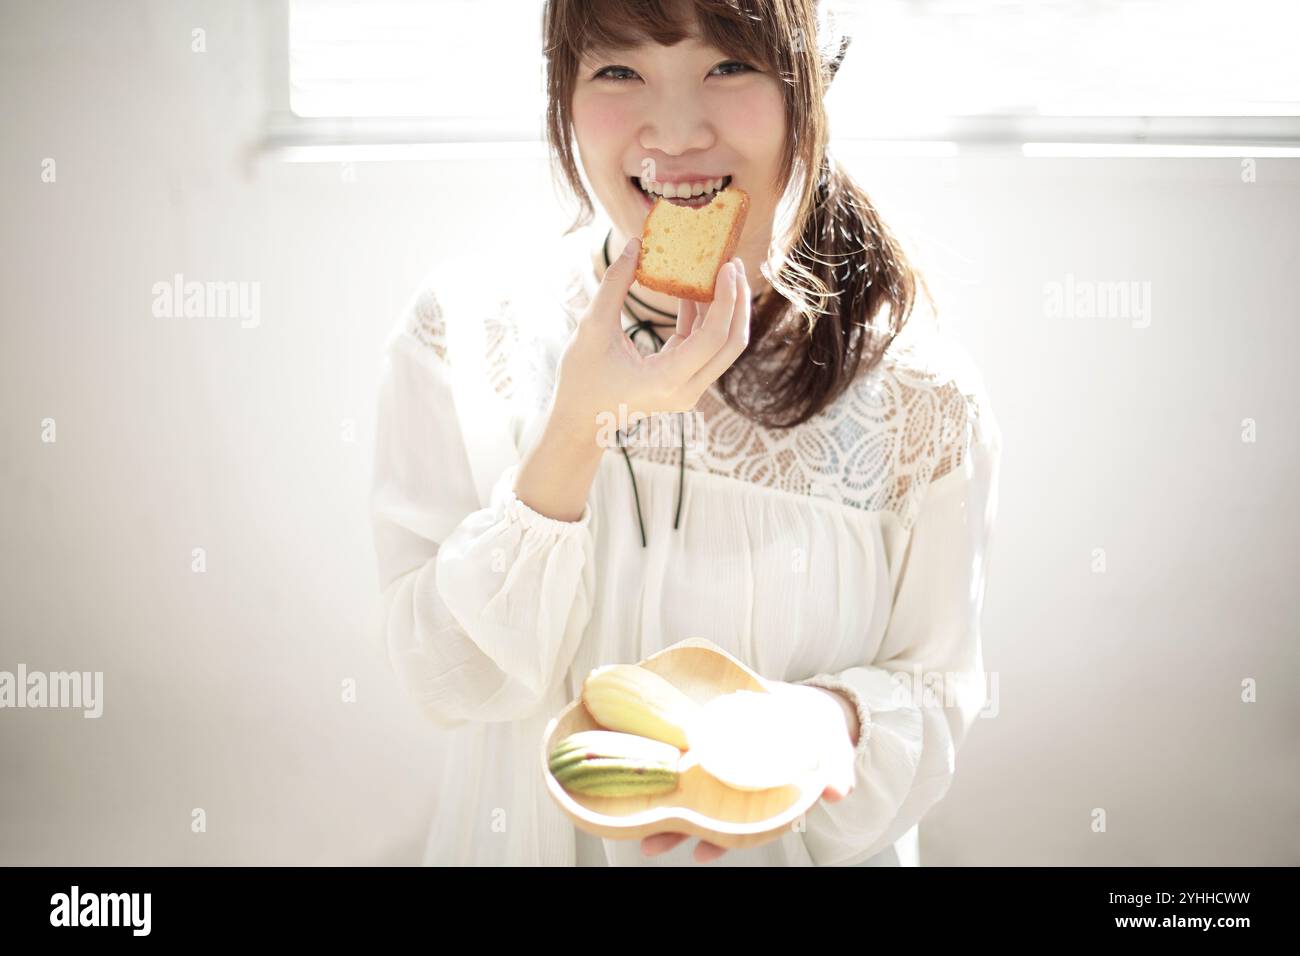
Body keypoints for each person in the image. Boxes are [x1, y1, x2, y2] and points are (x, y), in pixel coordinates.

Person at [369, 0, 1002, 866]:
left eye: (729, 66)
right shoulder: (467, 336)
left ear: (807, 85)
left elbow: (935, 696)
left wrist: (831, 721)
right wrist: (576, 430)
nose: (672, 133)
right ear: (563, 89)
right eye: (618, 70)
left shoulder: (920, 398)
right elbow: (450, 680)